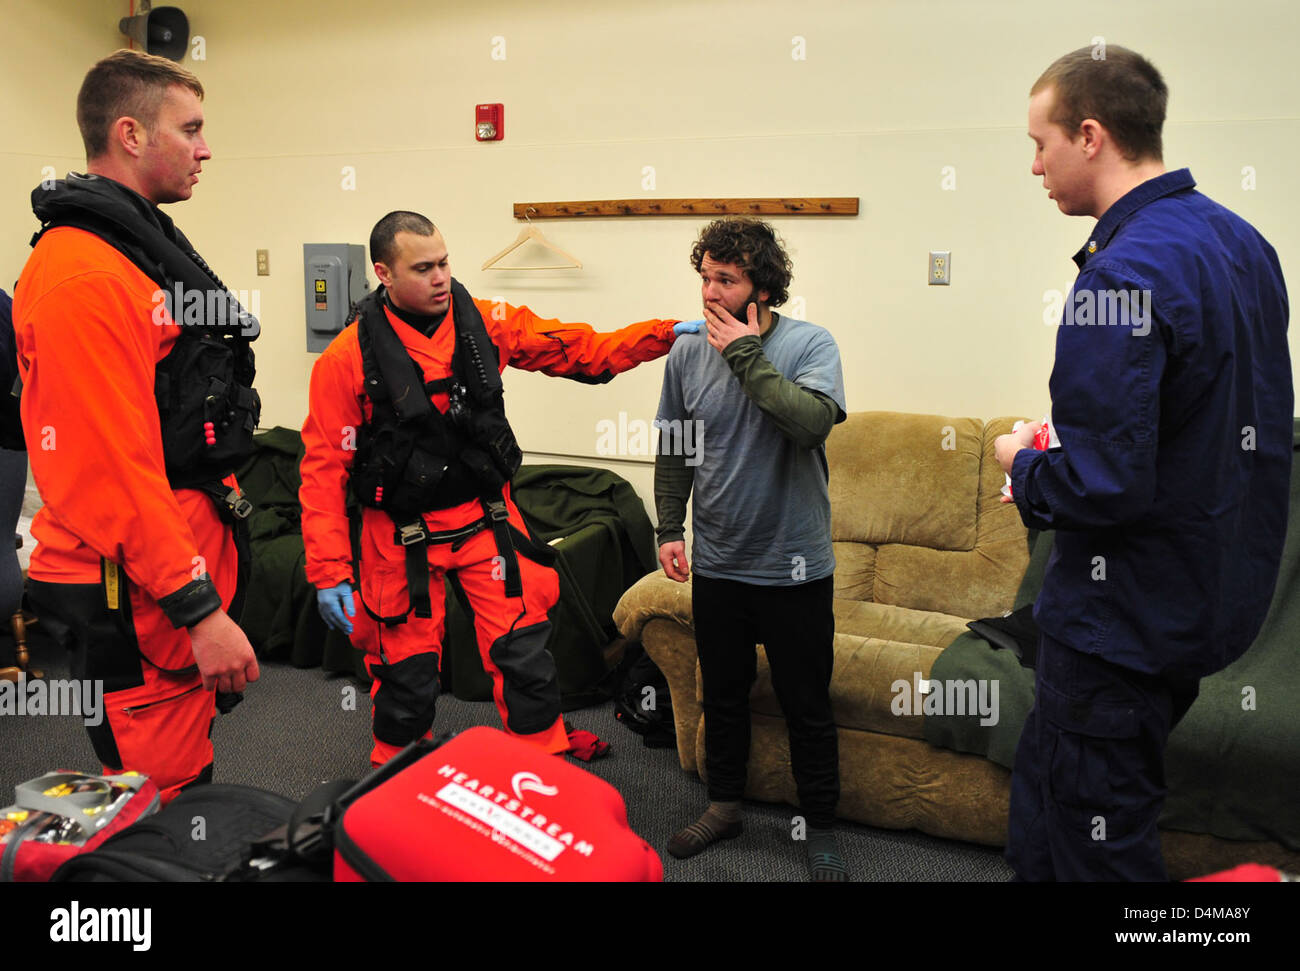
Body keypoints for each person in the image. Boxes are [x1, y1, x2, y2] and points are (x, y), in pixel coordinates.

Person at [996, 45, 1292, 881]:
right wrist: (1079, 444)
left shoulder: (1118, 274)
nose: (1034, 166)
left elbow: (1105, 487)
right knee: (1050, 816)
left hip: (1117, 627)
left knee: (1098, 848)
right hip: (1198, 606)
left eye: (1040, 143)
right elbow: (1207, 424)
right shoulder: (1246, 245)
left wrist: (1023, 463)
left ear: (1090, 136)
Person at [301, 211, 693, 766]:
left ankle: (541, 761)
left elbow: (582, 350)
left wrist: (664, 335)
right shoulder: (345, 359)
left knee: (523, 653)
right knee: (405, 672)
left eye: (444, 263)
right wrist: (329, 572)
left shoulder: (486, 323)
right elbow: (323, 470)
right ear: (383, 274)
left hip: (485, 521)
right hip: (400, 535)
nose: (440, 277)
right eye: (422, 268)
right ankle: (397, 773)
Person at [13, 50, 262, 803]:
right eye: (190, 129)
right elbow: (109, 469)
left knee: (186, 781)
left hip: (161, 574)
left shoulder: (131, 255)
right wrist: (199, 610)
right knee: (160, 801)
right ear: (130, 134)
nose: (205, 149)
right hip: (130, 589)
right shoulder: (86, 275)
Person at [655, 217, 849, 881]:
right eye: (705, 277)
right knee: (724, 697)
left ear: (761, 287)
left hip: (795, 567)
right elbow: (675, 446)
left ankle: (821, 828)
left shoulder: (810, 343)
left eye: (726, 280)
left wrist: (743, 352)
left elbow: (809, 423)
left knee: (806, 705)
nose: (710, 292)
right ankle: (724, 806)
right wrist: (668, 528)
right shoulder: (686, 352)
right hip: (720, 563)